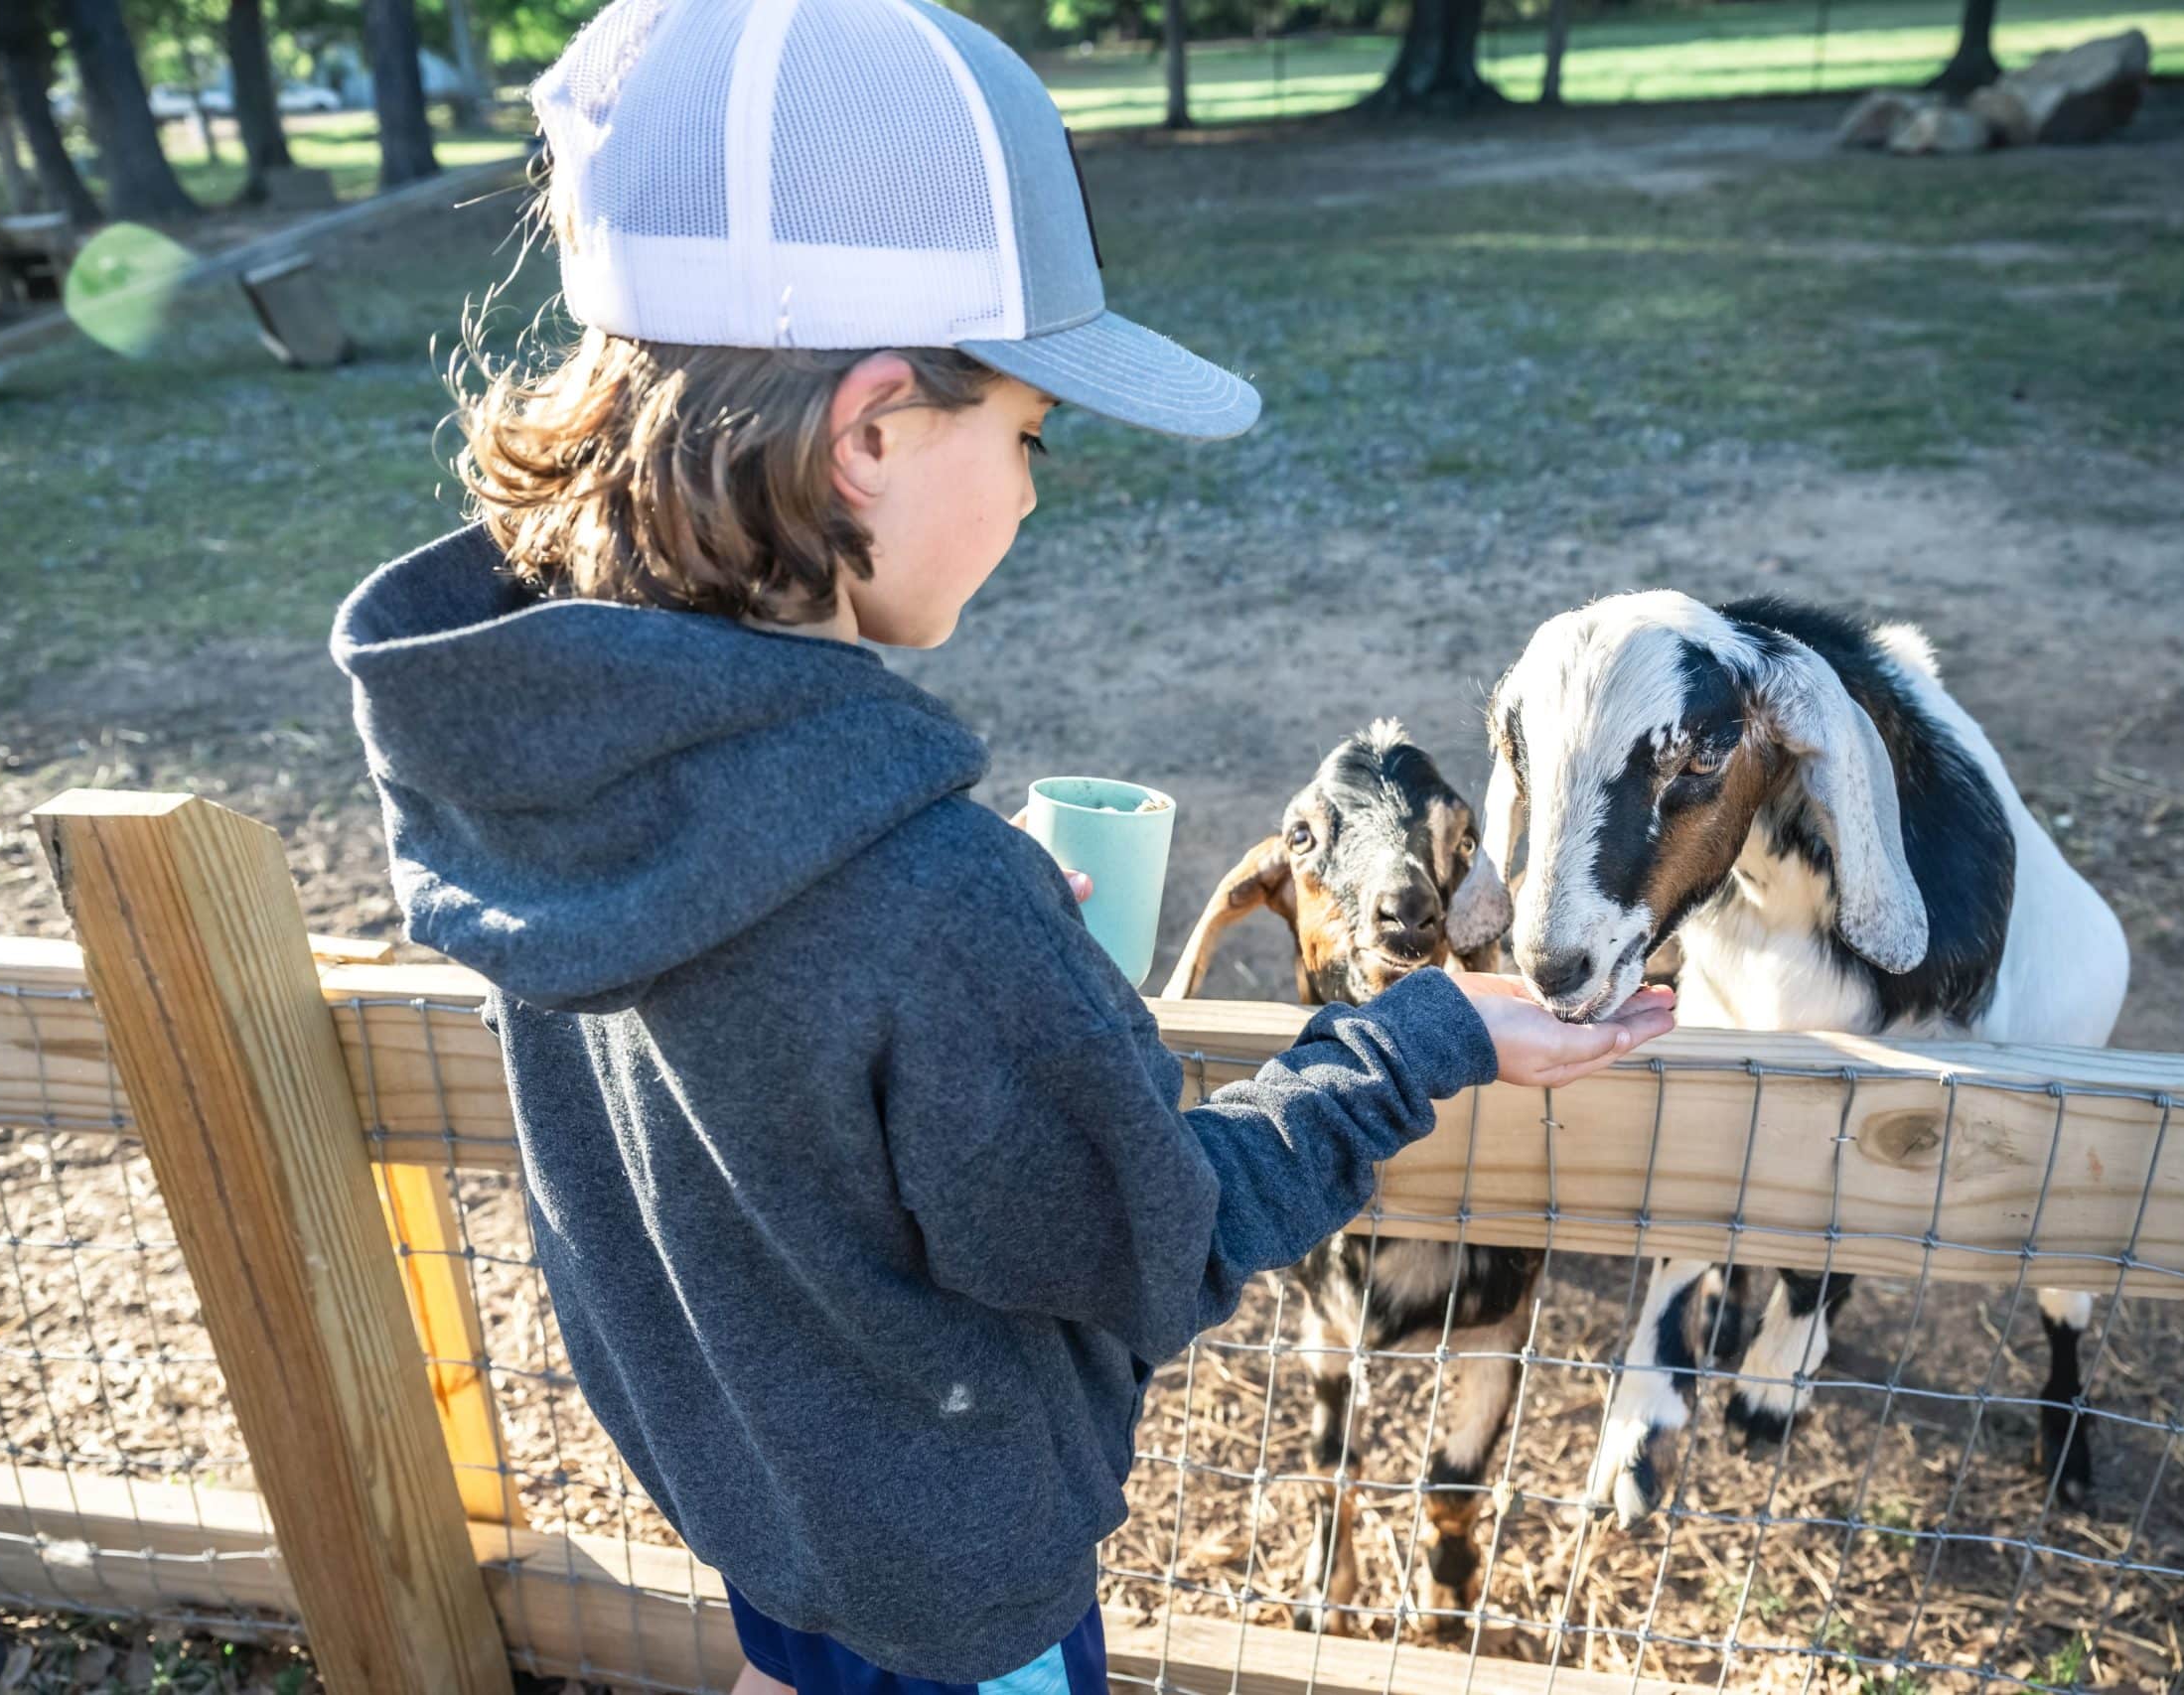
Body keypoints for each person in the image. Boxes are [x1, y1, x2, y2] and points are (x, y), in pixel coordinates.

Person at [331, 0, 1676, 1688]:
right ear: (872, 430)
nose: (1035, 491)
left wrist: (1004, 979)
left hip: (757, 1505)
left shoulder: (544, 773)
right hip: (963, 1600)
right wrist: (1430, 1033)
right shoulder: (930, 899)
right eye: (1028, 435)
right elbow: (1153, 1244)